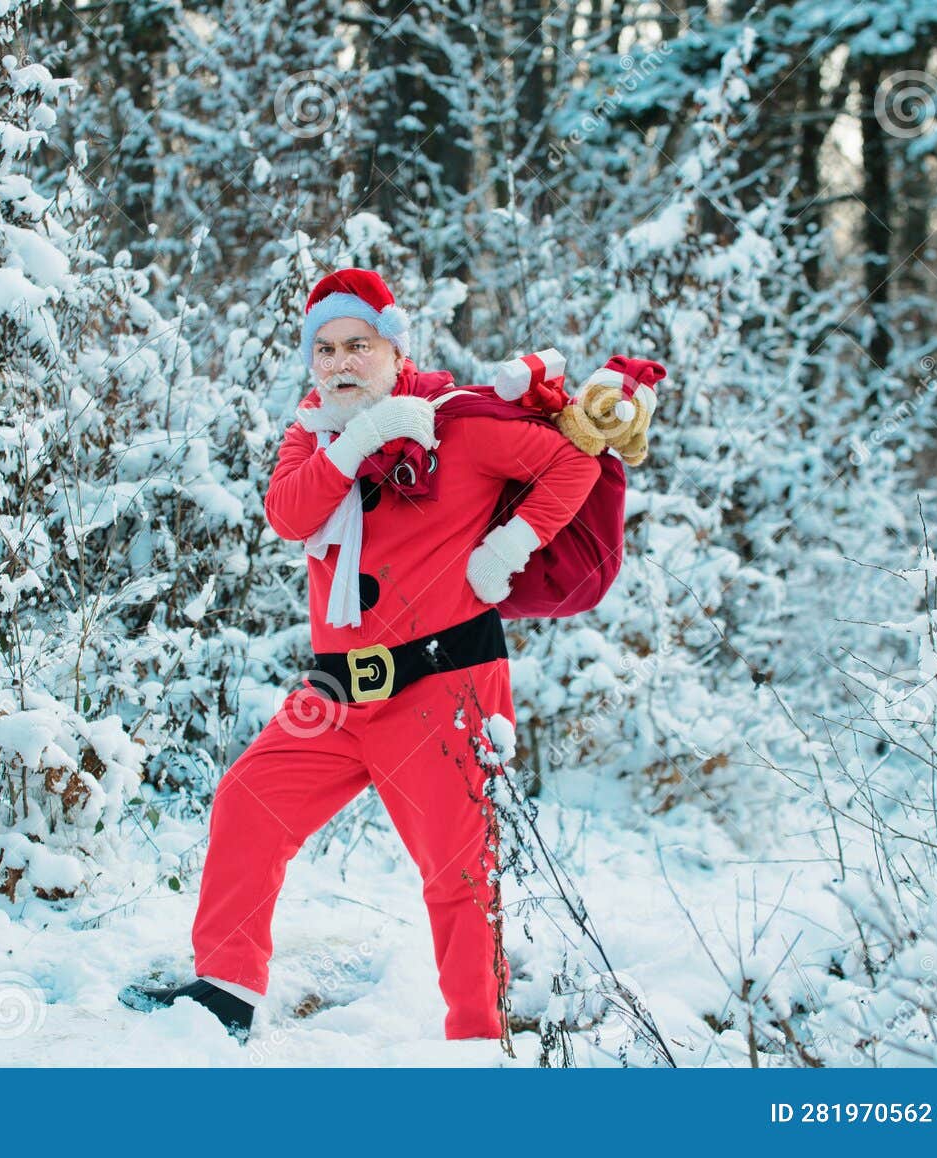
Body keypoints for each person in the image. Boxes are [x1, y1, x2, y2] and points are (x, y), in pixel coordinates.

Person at [121, 268, 602, 1042]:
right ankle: (225, 992)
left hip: (443, 685)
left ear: (392, 346)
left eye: (358, 344)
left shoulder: (459, 424)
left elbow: (573, 461)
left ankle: (478, 1044)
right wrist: (359, 444)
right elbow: (287, 512)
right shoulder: (313, 434)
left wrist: (514, 543)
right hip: (337, 696)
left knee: (457, 874)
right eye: (326, 349)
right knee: (250, 800)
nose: (341, 362)